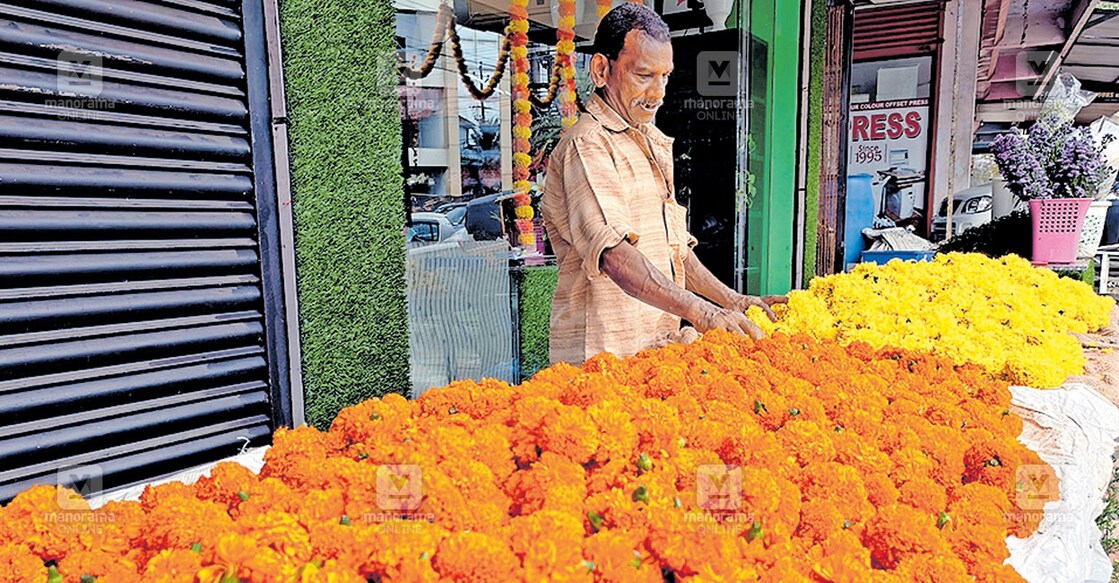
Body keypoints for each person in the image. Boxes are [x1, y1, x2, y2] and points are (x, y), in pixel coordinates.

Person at [541, 3, 783, 365]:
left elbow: (675, 251)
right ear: (602, 69)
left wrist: (731, 300)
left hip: (653, 351)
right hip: (603, 361)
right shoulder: (587, 144)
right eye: (643, 75)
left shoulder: (647, 141)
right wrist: (701, 312)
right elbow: (613, 255)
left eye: (665, 76)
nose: (658, 93)